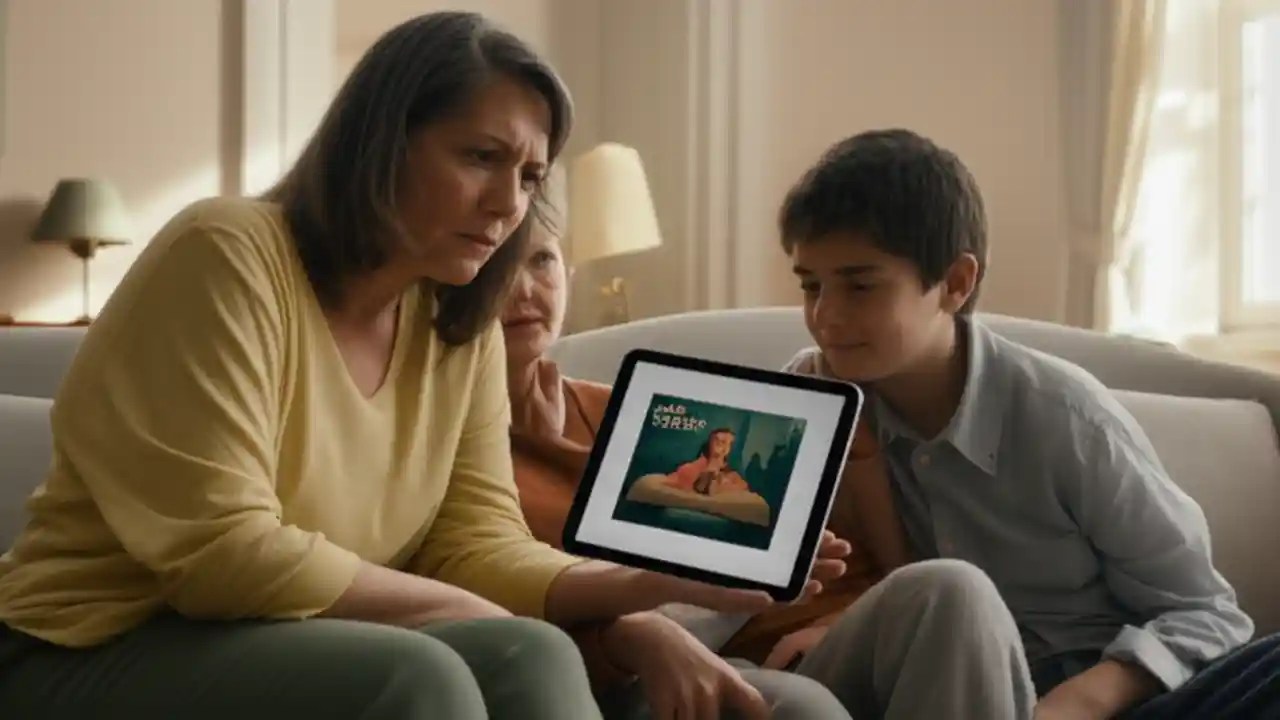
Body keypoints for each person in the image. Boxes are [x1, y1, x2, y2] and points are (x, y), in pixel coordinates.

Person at [0, 13, 844, 719]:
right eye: (480, 157)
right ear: (380, 142)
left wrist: (637, 587)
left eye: (528, 175)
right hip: (90, 644)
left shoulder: (456, 316)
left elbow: (473, 543)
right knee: (431, 671)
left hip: (282, 633)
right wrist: (476, 612)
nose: (508, 202)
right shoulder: (227, 253)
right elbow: (222, 553)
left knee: (519, 652)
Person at [777, 127, 1268, 719]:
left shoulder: (1065, 417)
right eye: (810, 287)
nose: (825, 316)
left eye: (860, 285)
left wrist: (1084, 700)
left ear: (955, 283)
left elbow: (1205, 611)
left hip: (1102, 695)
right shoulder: (816, 401)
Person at [502, 210, 1030, 719]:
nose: (525, 289)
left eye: (541, 261)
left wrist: (837, 614)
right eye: (499, 265)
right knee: (798, 706)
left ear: (567, 273)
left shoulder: (640, 408)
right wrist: (630, 636)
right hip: (677, 665)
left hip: (810, 640)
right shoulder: (456, 465)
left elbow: (839, 561)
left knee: (956, 588)